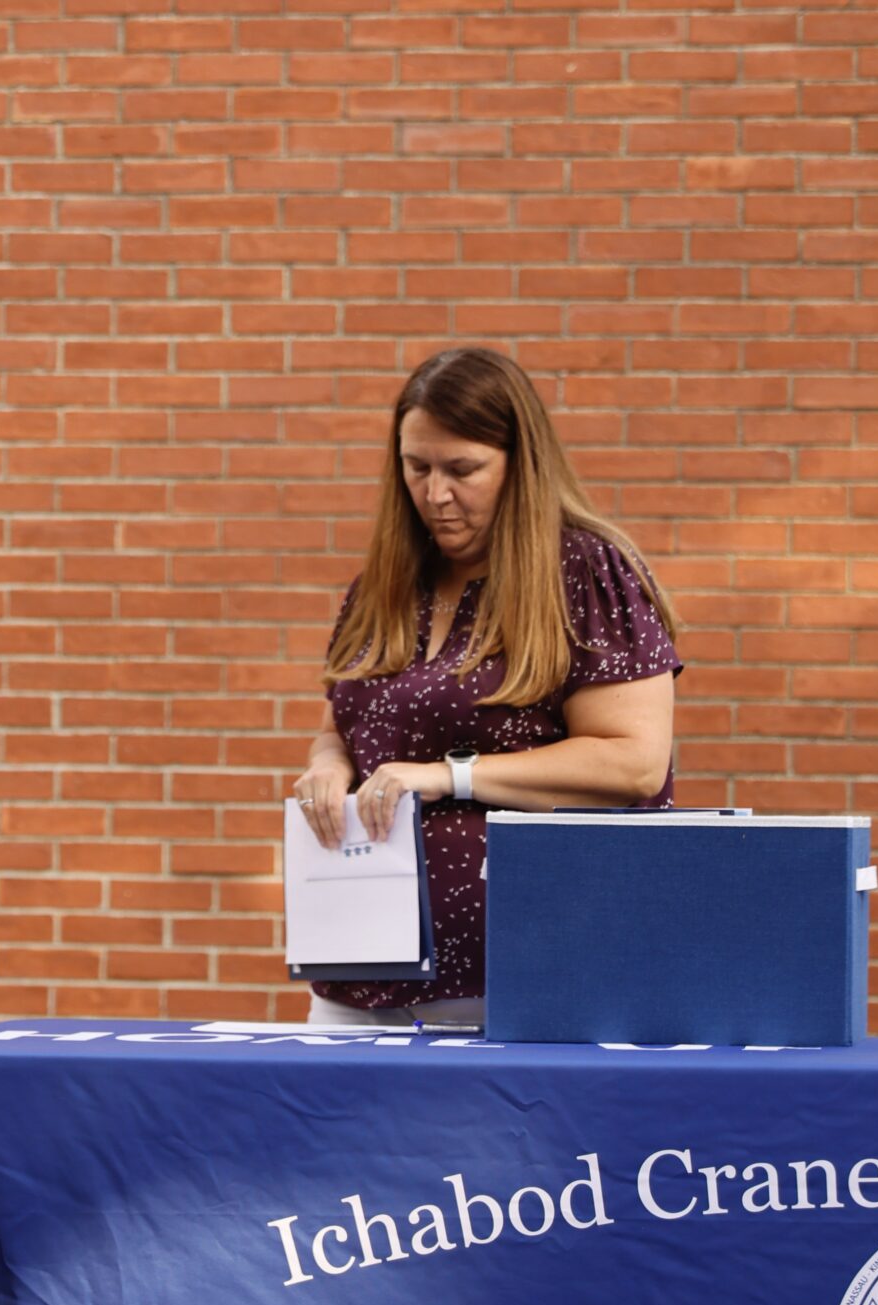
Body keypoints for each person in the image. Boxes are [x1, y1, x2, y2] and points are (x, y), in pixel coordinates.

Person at [292, 347, 682, 1026]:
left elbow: (634, 761)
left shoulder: (585, 572)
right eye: (417, 468)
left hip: (530, 979)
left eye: (462, 470)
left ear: (519, 463)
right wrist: (328, 767)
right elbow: (347, 724)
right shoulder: (383, 585)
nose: (435, 494)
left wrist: (448, 776)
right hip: (360, 971)